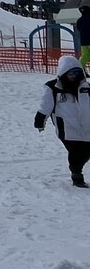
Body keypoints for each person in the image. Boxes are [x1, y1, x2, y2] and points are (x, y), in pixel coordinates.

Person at [35, 55, 90, 188]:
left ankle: (76, 168)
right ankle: (77, 175)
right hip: (67, 129)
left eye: (77, 73)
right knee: (76, 152)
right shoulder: (53, 88)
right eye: (71, 73)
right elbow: (46, 105)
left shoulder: (86, 87)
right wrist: (40, 119)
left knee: (87, 151)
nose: (74, 76)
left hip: (88, 126)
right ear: (63, 73)